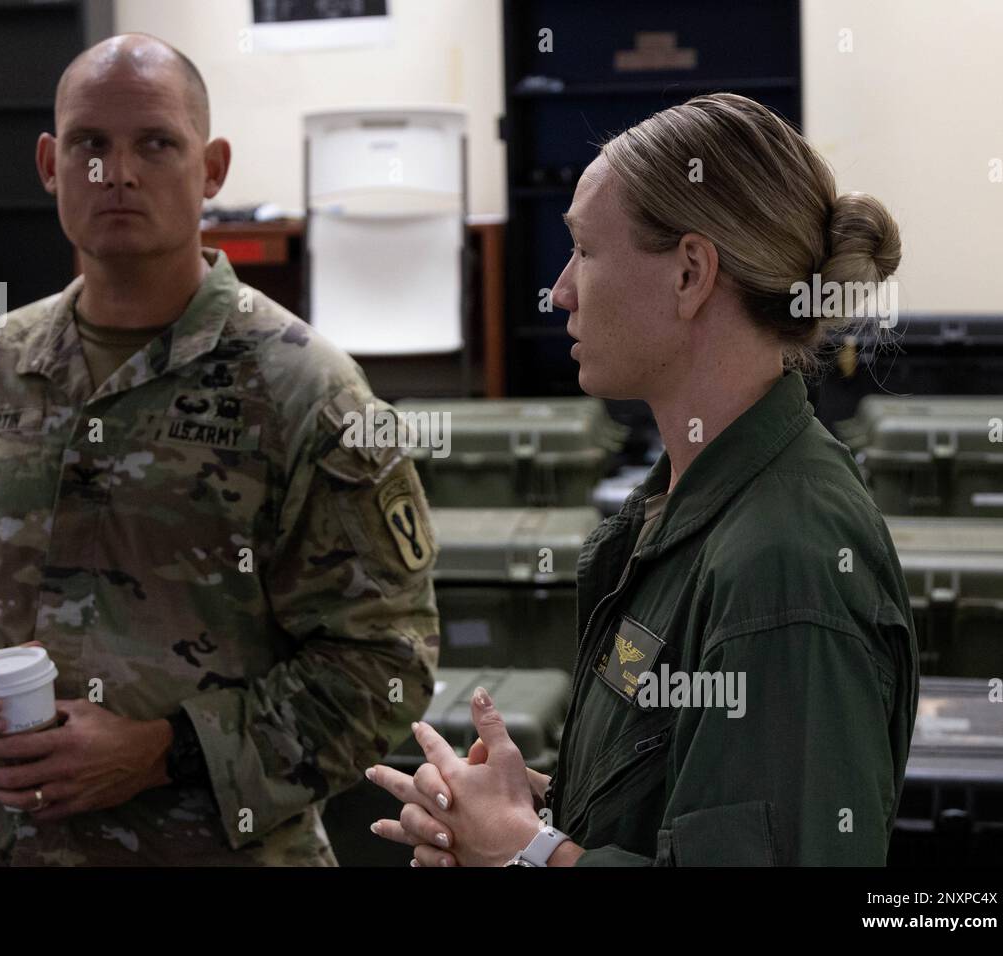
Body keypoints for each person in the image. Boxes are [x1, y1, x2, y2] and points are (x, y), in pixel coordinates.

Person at [0, 33, 440, 866]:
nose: (117, 173)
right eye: (90, 144)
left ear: (212, 168)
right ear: (51, 164)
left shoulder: (305, 390)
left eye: (156, 143)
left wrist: (165, 750)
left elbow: (386, 668)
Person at [368, 93, 918, 866]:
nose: (559, 290)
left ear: (690, 274)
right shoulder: (685, 512)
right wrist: (525, 820)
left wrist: (527, 856)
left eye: (586, 252)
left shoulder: (784, 566)